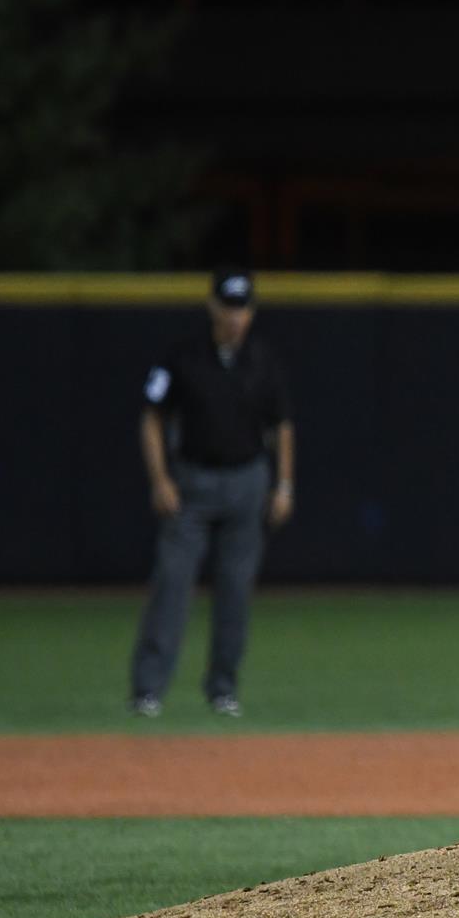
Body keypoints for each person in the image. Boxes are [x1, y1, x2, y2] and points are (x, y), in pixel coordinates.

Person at [129, 268, 295, 717]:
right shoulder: (183, 357)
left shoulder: (263, 361)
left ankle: (223, 689)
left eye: (243, 308)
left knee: (236, 591)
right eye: (229, 307)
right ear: (213, 307)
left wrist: (283, 484)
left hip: (247, 482)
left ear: (251, 313)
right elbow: (152, 417)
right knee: (171, 585)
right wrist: (160, 479)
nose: (236, 317)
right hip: (193, 485)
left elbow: (280, 426)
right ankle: (148, 690)